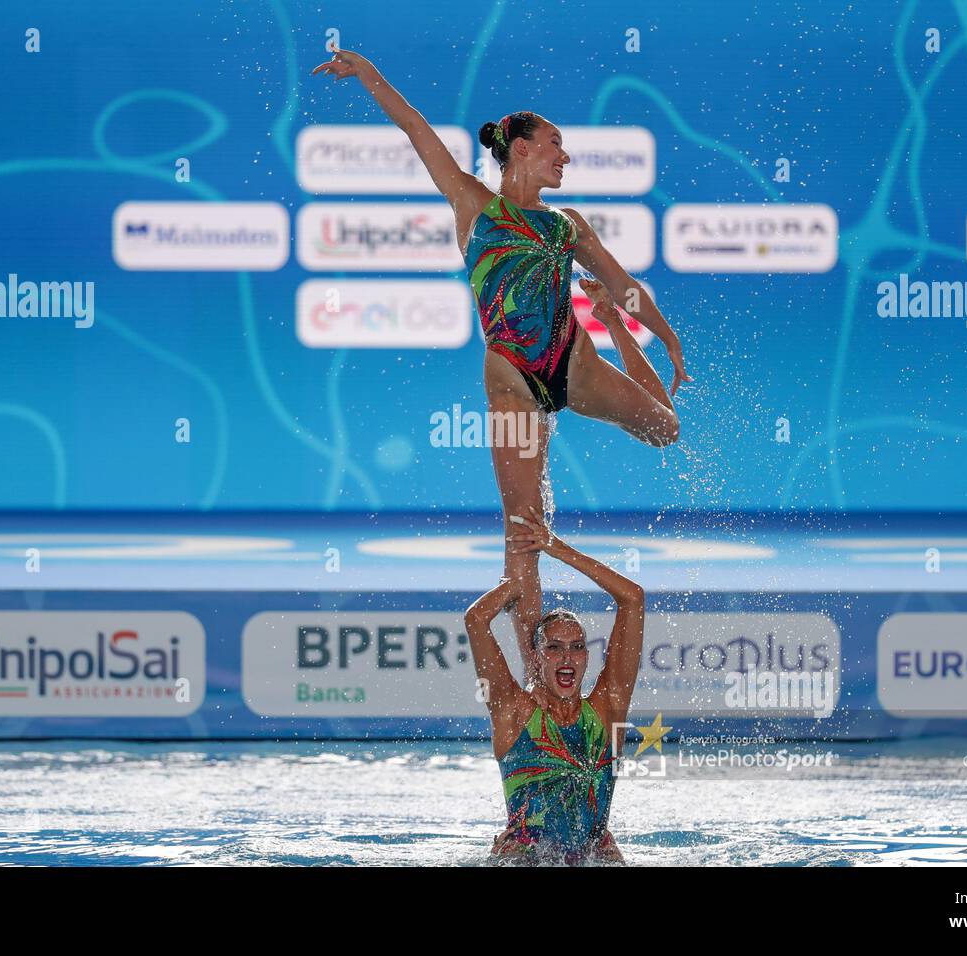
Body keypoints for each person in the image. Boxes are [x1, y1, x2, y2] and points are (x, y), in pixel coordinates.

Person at [312, 47, 686, 686]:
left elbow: (622, 284)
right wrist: (369, 73)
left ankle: (616, 341)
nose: (564, 157)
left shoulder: (567, 226)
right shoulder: (474, 205)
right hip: (513, 380)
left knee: (665, 429)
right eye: (555, 145)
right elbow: (416, 130)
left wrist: (662, 335)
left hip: (572, 360)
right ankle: (539, 683)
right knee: (522, 532)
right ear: (519, 149)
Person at [464, 506, 645, 864]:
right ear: (536, 658)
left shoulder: (607, 709)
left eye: (577, 647)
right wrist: (517, 583)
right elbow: (476, 619)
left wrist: (556, 548)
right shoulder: (515, 712)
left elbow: (633, 597)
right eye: (554, 648)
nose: (567, 657)